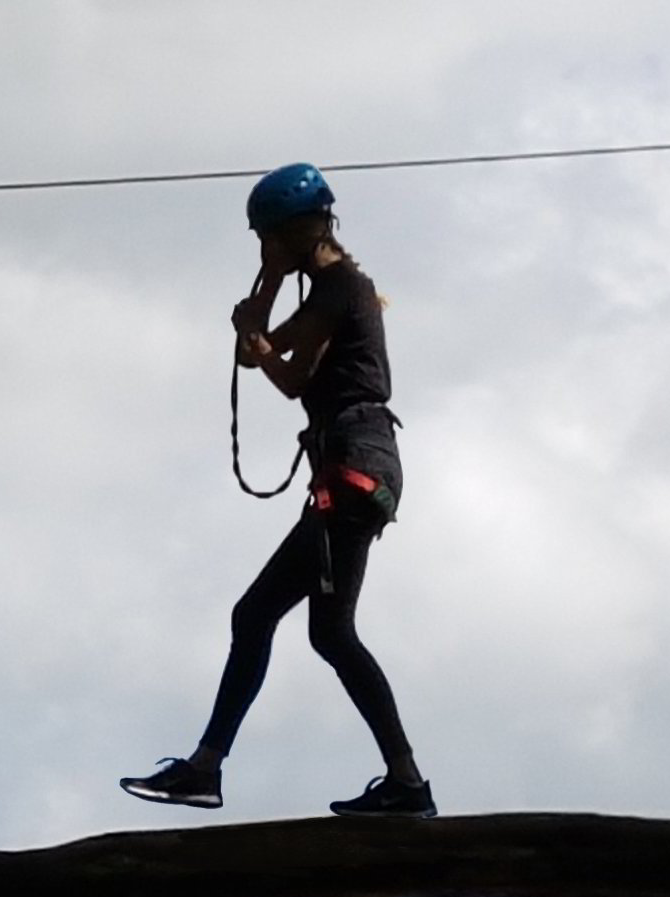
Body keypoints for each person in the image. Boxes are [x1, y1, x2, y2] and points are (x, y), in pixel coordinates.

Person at [120, 163, 435, 818]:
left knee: (282, 621)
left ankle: (213, 769)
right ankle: (400, 781)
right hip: (353, 465)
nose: (262, 248)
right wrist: (264, 289)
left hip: (353, 464)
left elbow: (287, 376)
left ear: (294, 231)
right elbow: (254, 350)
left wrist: (259, 335)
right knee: (317, 630)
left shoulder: (340, 287)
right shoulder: (327, 289)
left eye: (267, 238)